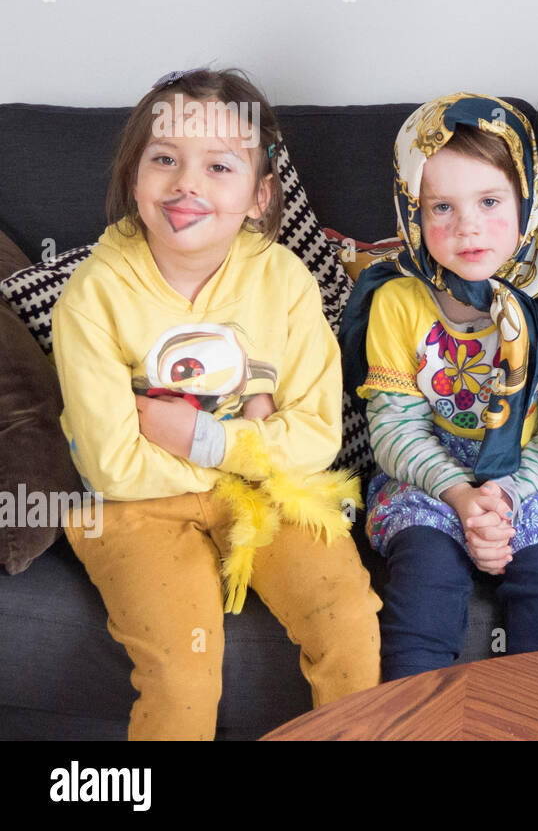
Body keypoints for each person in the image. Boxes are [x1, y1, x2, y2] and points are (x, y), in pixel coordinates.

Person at [53, 68, 381, 741]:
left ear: (260, 195)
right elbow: (117, 465)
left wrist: (201, 438)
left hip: (270, 494)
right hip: (137, 511)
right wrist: (253, 443)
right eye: (165, 158)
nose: (187, 184)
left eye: (219, 165)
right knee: (183, 671)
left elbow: (316, 433)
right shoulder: (92, 295)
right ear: (135, 177)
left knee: (348, 619)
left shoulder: (284, 281)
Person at [339, 93, 538, 680]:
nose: (468, 227)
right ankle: (414, 718)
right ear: (410, 212)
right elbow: (393, 429)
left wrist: (505, 497)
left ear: (527, 202)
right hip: (430, 473)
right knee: (423, 579)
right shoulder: (397, 301)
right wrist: (462, 497)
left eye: (490, 201)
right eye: (440, 207)